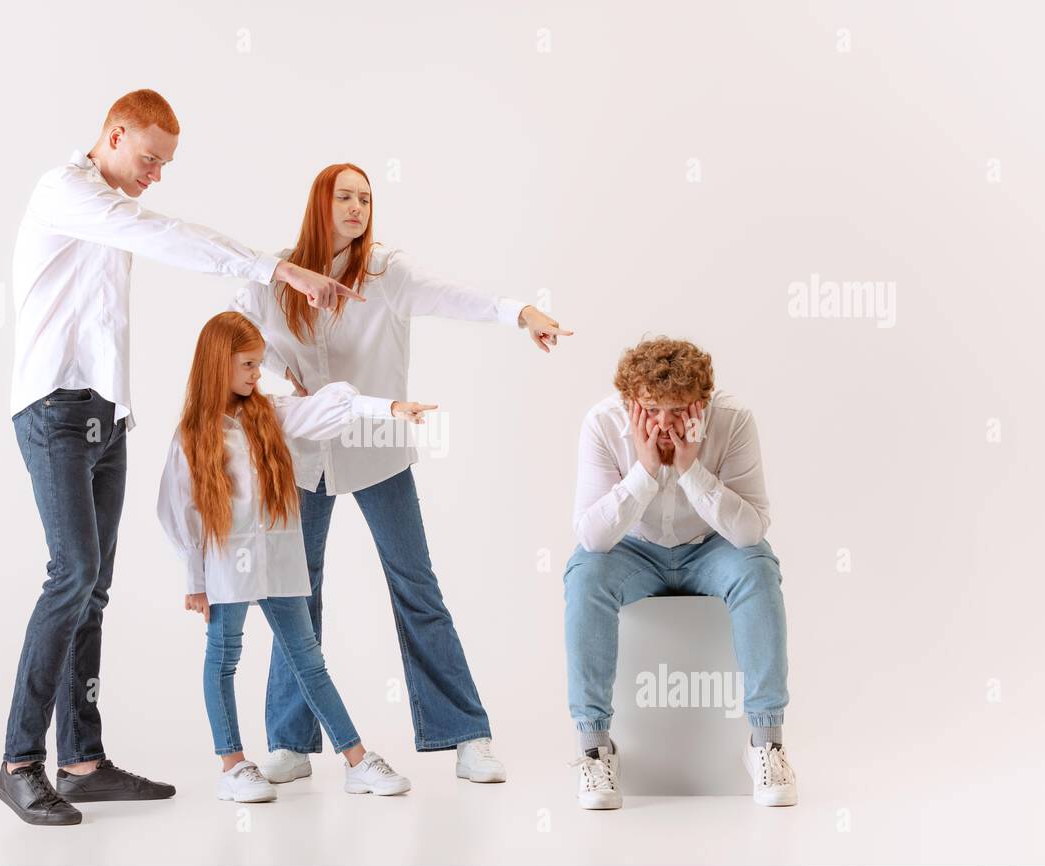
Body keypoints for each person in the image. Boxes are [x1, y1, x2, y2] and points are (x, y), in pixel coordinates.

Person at [0, 89, 357, 826]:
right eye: (149, 158)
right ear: (114, 134)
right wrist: (275, 268)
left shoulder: (111, 206)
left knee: (92, 587)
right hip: (53, 411)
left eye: (166, 164)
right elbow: (167, 237)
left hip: (105, 414)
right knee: (70, 573)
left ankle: (82, 761)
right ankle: (18, 761)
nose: (156, 173)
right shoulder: (65, 191)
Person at [230, 162, 572, 786]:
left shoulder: (389, 272)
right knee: (294, 595)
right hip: (305, 455)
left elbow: (457, 298)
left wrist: (521, 312)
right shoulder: (278, 274)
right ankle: (290, 741)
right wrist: (281, 369)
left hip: (379, 448)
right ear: (319, 203)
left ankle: (466, 734)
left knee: (416, 584)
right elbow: (238, 328)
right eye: (345, 197)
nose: (358, 208)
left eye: (366, 198)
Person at [157, 311, 433, 800]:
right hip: (227, 567)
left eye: (259, 364)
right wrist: (194, 580)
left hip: (281, 562)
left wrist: (389, 407)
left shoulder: (273, 414)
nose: (255, 374)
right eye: (246, 364)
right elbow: (180, 511)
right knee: (223, 659)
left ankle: (356, 759)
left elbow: (333, 408)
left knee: (309, 662)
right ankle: (232, 764)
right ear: (217, 364)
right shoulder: (191, 436)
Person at [563, 336, 797, 810]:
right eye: (651, 409)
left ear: (701, 403)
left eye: (679, 411)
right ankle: (594, 748)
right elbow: (591, 536)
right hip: (634, 550)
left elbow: (751, 531)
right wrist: (645, 472)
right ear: (631, 402)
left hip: (712, 548)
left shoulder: (733, 420)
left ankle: (766, 743)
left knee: (758, 568)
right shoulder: (603, 423)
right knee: (585, 575)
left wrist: (692, 471)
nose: (664, 425)